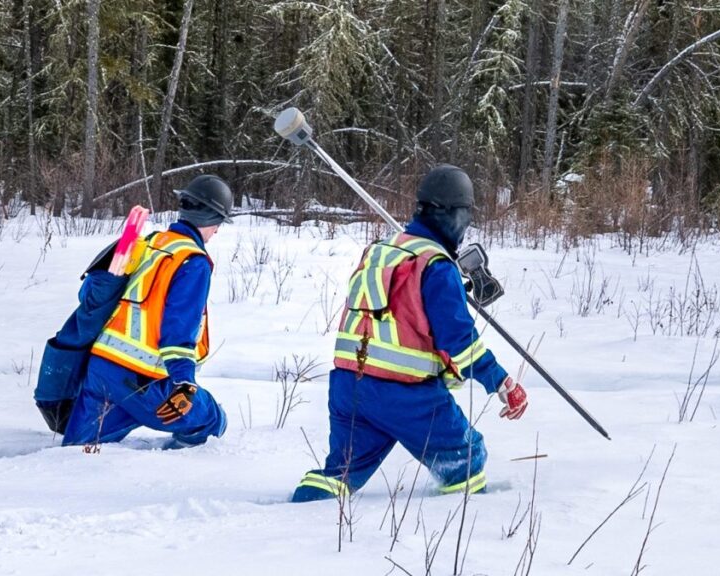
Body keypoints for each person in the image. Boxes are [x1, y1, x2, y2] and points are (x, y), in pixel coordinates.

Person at [290, 165, 528, 502]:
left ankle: (297, 521)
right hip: (405, 395)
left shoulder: (382, 251)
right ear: (452, 214)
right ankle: (466, 528)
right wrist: (502, 383)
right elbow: (460, 343)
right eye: (467, 215)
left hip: (348, 388)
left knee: (339, 475)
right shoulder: (436, 266)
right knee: (466, 462)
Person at [57, 174, 233, 449]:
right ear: (211, 219)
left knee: (77, 453)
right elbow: (178, 331)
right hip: (144, 381)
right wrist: (185, 383)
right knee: (210, 420)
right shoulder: (193, 262)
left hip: (100, 370)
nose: (217, 231)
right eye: (219, 223)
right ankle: (186, 456)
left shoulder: (149, 241)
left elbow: (91, 293)